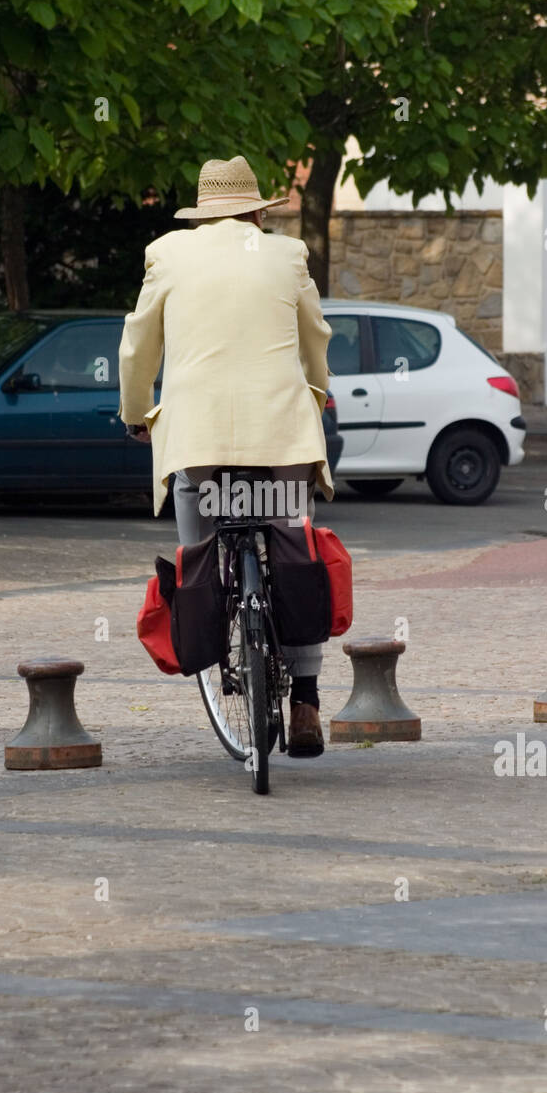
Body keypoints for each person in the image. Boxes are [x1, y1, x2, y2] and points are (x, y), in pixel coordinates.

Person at [119, 154, 334, 757]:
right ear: (257, 211)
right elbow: (315, 337)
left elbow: (138, 346)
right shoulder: (287, 255)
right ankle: (307, 697)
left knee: (200, 548)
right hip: (280, 427)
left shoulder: (167, 253)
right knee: (294, 542)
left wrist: (136, 413)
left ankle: (211, 639)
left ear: (203, 211)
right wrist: (315, 395)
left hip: (198, 434)